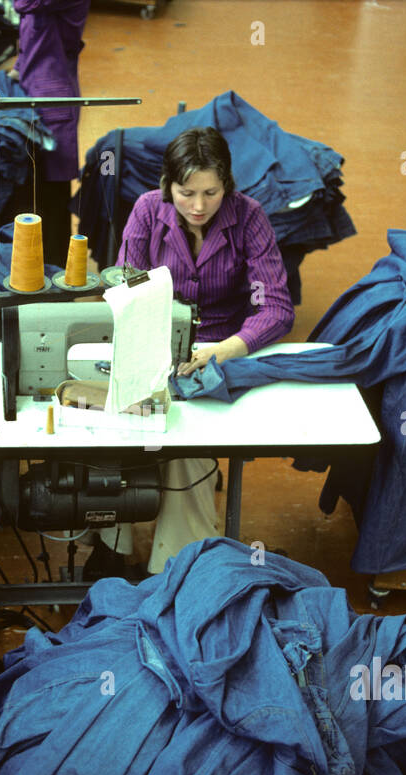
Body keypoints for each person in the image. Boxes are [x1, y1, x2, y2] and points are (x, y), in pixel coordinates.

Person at [83, 126, 295, 577]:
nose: (199, 206)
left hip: (221, 349)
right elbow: (125, 291)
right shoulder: (145, 212)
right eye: (186, 193)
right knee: (117, 428)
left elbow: (275, 306)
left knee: (187, 448)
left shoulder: (249, 218)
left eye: (211, 192)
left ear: (228, 186)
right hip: (153, 340)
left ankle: (176, 568)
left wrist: (226, 349)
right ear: (167, 185)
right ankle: (113, 547)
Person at [12, 0, 92, 261]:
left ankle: (55, 275)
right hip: (32, 87)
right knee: (24, 187)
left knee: (50, 193)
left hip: (52, 97)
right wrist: (16, 71)